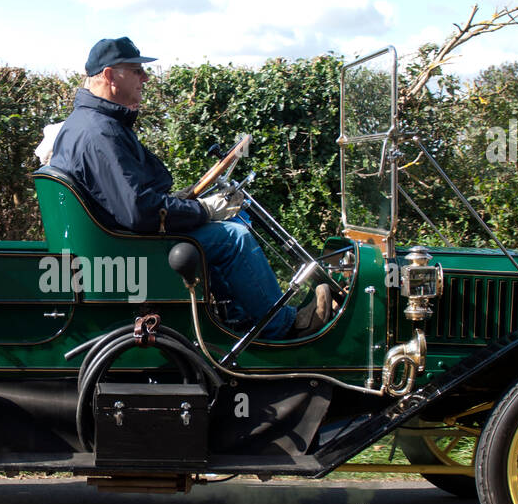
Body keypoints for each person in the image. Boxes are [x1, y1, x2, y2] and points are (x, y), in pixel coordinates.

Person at [44, 36, 329, 339]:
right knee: (234, 237)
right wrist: (202, 210)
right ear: (112, 75)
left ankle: (237, 320)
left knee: (230, 225)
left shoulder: (92, 123)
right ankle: (282, 327)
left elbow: (128, 199)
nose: (145, 77)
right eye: (136, 70)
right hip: (129, 248)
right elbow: (139, 212)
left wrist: (188, 201)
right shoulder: (100, 132)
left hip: (120, 242)